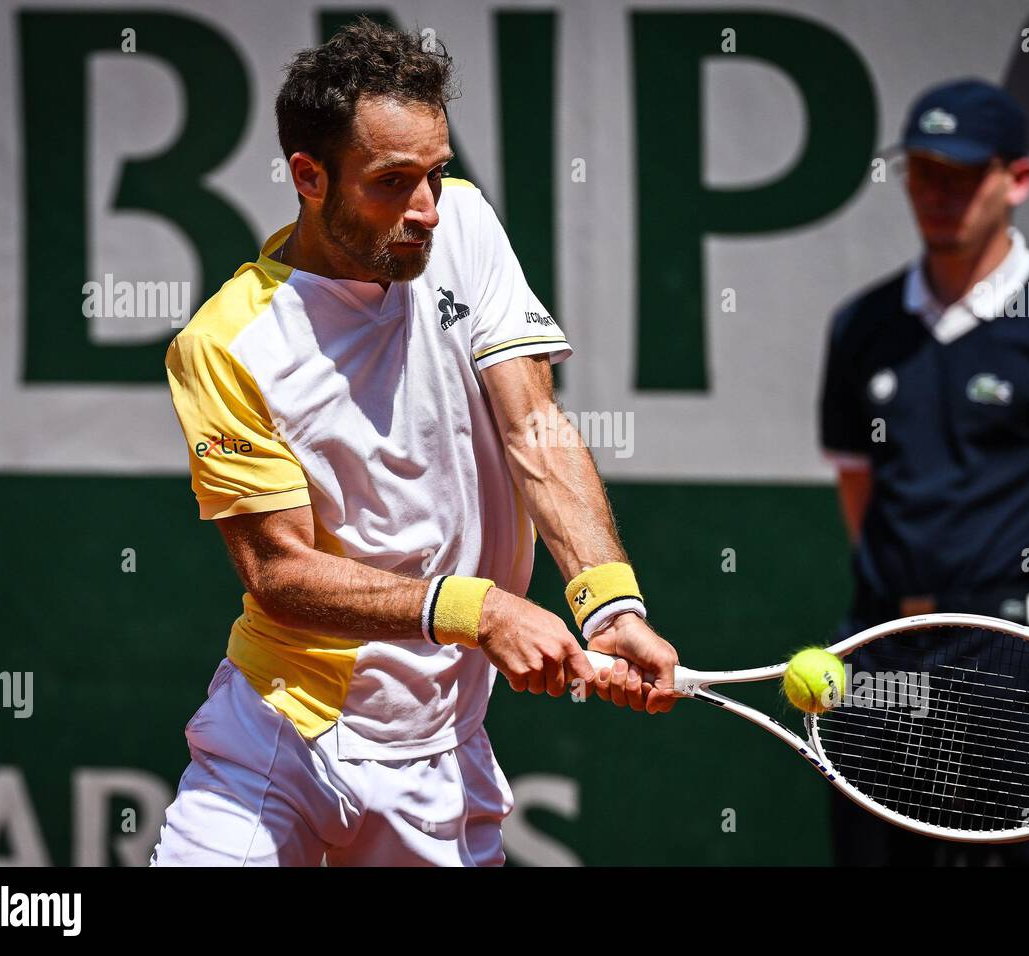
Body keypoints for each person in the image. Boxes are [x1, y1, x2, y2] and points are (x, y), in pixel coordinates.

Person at [151, 16, 678, 867]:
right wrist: (476, 609)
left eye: (435, 173)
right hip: (279, 731)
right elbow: (278, 571)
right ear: (309, 176)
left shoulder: (462, 225)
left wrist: (609, 603)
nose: (426, 209)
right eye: (393, 183)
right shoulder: (226, 345)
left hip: (438, 749)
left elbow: (534, 429)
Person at [818, 78, 1029, 865]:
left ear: (1018, 180)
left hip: (1019, 660)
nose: (939, 194)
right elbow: (860, 496)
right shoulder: (863, 326)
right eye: (925, 171)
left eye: (963, 173)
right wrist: (910, 603)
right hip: (883, 656)